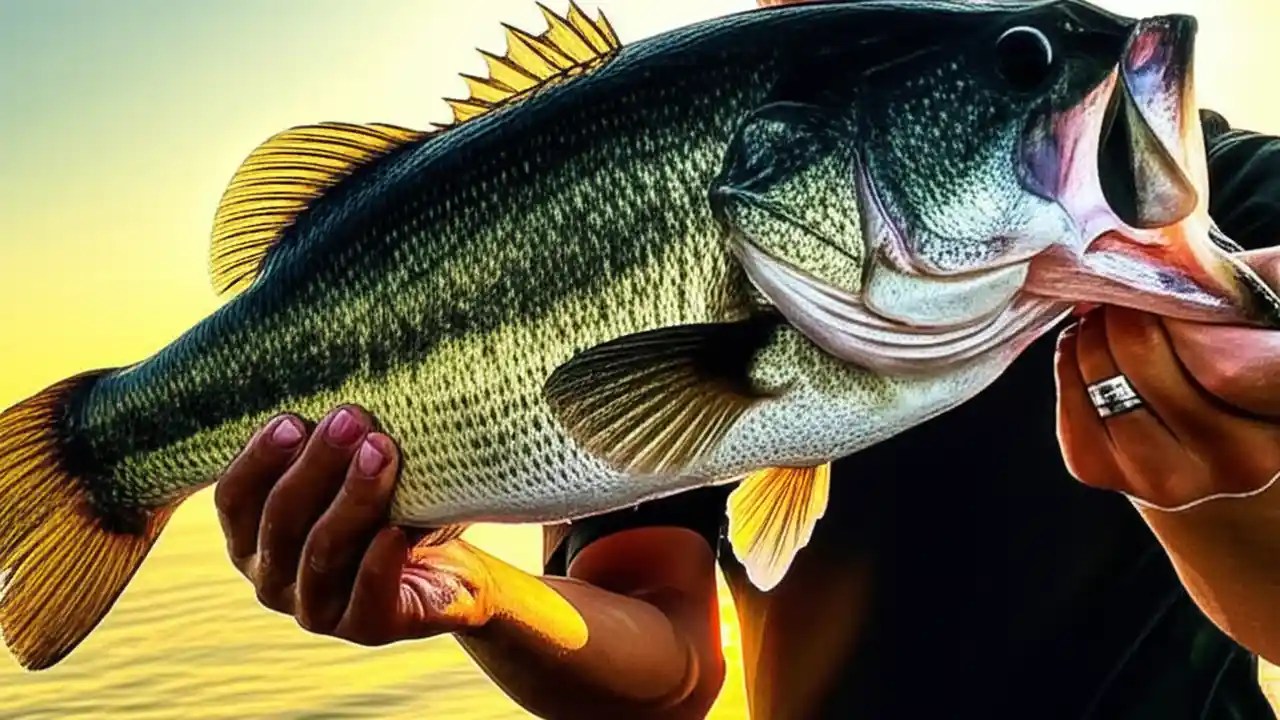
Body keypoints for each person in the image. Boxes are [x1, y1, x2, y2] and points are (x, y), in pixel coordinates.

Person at [210, 93, 1280, 720]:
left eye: (1019, 63)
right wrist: (474, 593)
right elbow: (671, 667)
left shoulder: (1163, 186)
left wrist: (1230, 488)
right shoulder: (644, 177)